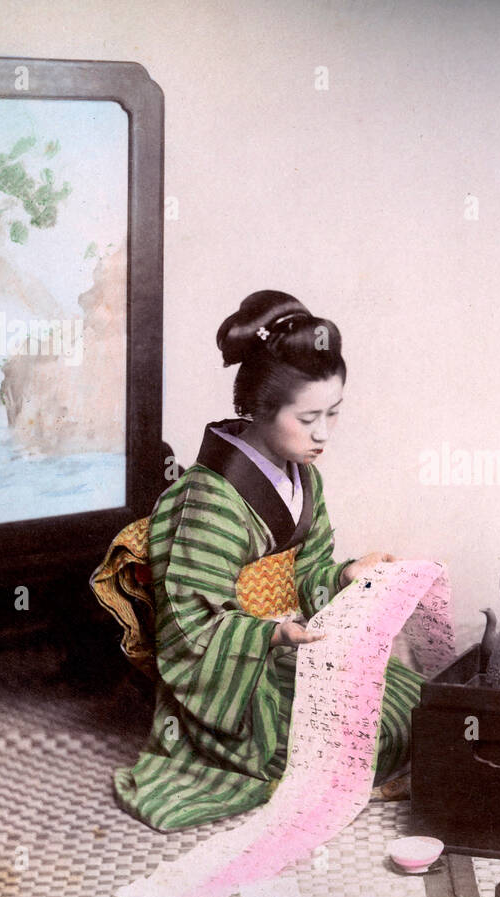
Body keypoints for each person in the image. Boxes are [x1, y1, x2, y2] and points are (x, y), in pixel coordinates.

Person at [103, 290, 420, 831]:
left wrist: (344, 575)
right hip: (235, 680)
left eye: (333, 414)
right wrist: (270, 636)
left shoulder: (305, 477)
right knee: (349, 736)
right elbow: (192, 623)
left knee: (413, 706)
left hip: (288, 650)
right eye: (309, 417)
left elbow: (306, 577)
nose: (323, 433)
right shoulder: (205, 500)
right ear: (260, 410)